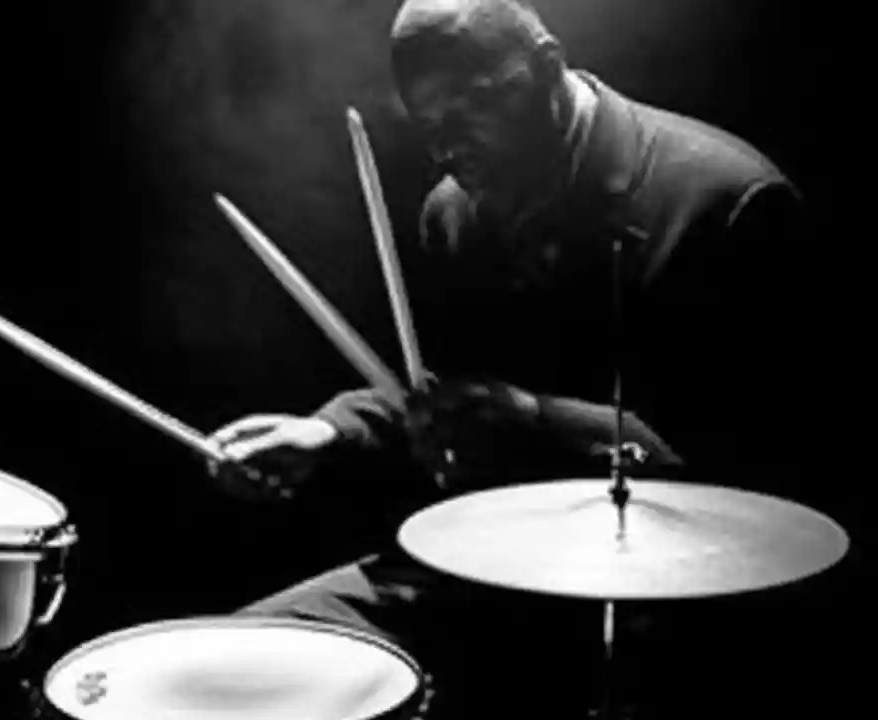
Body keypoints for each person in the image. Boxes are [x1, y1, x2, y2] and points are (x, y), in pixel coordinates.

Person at [207, 0, 824, 716]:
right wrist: (335, 430)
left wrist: (537, 421)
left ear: (547, 67)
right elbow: (440, 393)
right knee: (237, 669)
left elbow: (770, 489)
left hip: (674, 618)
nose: (446, 149)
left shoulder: (728, 204)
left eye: (468, 109)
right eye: (428, 126)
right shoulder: (454, 212)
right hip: (486, 574)